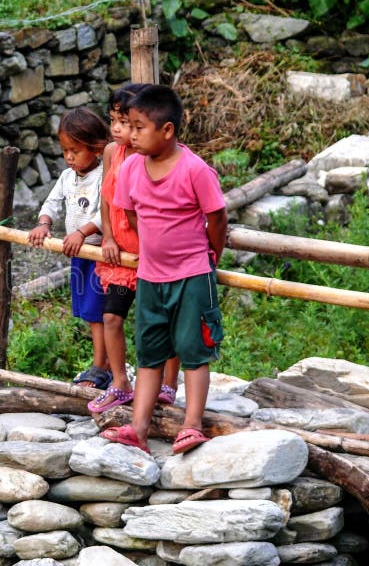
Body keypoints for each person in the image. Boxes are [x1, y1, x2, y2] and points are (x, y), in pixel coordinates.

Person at [104, 85, 227, 454]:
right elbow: (127, 211)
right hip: (150, 278)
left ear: (167, 130)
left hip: (192, 276)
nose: (132, 134)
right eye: (129, 125)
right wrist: (150, 250)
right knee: (150, 353)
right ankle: (137, 428)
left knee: (194, 351)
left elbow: (217, 217)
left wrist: (211, 255)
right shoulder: (129, 169)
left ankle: (191, 425)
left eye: (140, 127)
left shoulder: (195, 170)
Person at [88, 84, 182, 413]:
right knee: (111, 316)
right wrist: (109, 237)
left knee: (164, 320)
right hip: (121, 254)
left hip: (153, 255)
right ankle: (119, 382)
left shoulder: (156, 156)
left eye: (126, 123)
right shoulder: (114, 153)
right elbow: (107, 198)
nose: (117, 129)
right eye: (113, 120)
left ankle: (168, 383)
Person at [29, 107, 109, 389]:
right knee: (89, 312)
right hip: (80, 255)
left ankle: (101, 366)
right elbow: (51, 203)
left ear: (96, 148)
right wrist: (43, 223)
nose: (69, 157)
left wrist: (81, 232)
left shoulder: (104, 175)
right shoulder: (67, 177)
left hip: (100, 254)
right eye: (65, 150)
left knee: (98, 313)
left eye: (75, 150)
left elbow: (105, 214)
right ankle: (103, 362)